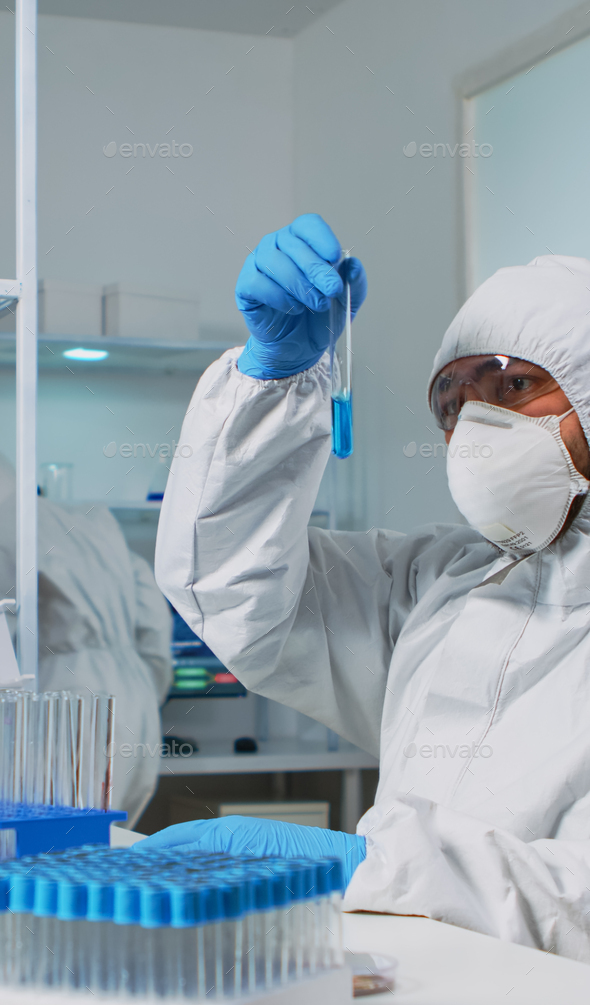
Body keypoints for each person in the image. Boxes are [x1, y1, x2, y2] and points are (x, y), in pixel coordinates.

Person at [138, 214, 590, 963]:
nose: (476, 422)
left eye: (513, 384)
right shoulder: (443, 588)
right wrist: (272, 383)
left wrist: (367, 868)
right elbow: (234, 589)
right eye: (453, 400)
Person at [0, 452, 172, 824]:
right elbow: (154, 622)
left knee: (59, 850)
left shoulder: (6, 525)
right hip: (133, 693)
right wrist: (143, 693)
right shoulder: (89, 520)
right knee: (105, 845)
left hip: (68, 696)